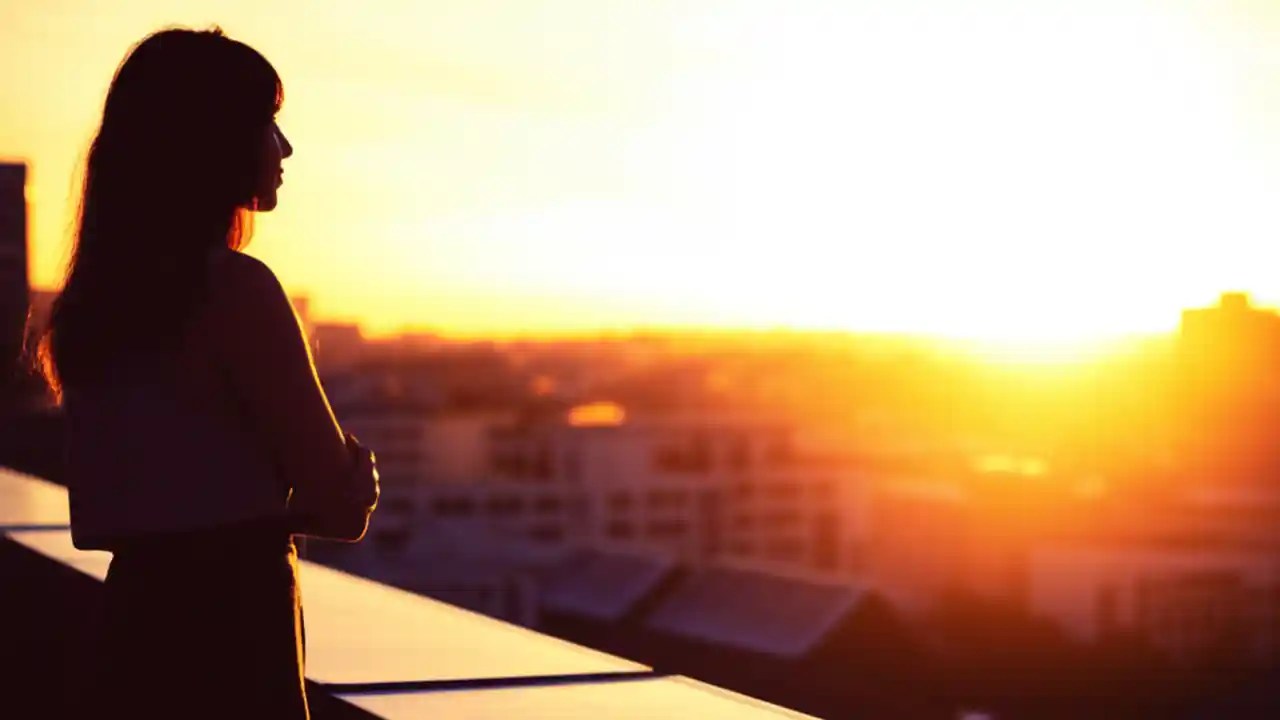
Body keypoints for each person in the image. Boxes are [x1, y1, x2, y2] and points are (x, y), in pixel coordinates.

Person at [36, 27, 379, 719]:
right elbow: (340, 503)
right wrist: (347, 480)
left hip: (133, 631)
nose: (284, 149)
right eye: (268, 123)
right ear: (213, 140)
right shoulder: (235, 290)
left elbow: (108, 508)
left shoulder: (94, 306)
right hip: (235, 641)